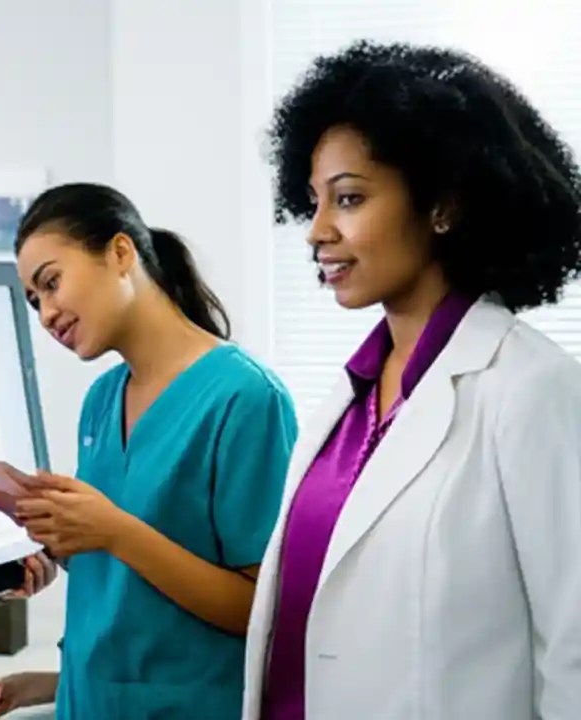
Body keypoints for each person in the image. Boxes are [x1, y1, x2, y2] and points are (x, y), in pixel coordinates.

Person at [242, 41, 581, 720]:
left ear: (443, 204)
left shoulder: (530, 389)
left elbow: (574, 651)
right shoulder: (347, 399)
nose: (316, 231)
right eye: (313, 202)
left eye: (349, 198)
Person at [0, 183, 298, 719]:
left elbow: (260, 610)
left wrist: (113, 530)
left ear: (120, 253)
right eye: (33, 300)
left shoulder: (246, 398)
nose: (45, 314)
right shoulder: (102, 399)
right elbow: (123, 578)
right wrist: (52, 540)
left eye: (51, 283)